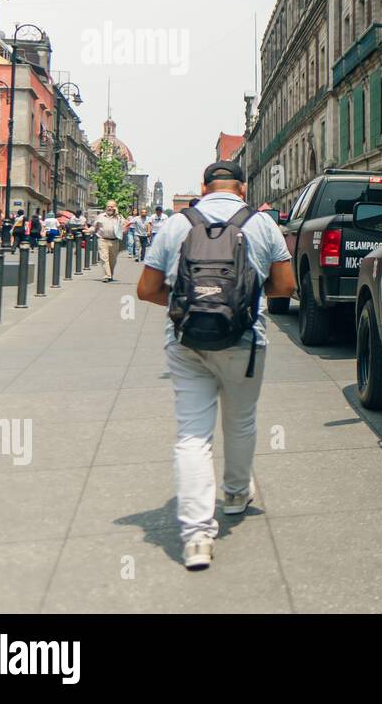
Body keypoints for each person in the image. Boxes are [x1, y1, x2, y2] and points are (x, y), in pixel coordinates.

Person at [136, 161, 293, 570]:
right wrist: (247, 301)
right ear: (242, 188)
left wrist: (185, 306)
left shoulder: (175, 224)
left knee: (192, 436)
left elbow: (146, 289)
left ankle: (196, 538)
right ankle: (237, 494)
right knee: (241, 422)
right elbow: (286, 287)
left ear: (203, 188)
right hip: (245, 341)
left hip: (186, 343)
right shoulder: (261, 224)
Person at [92, 201, 126, 281]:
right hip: (102, 239)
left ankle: (110, 274)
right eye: (108, 206)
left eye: (112, 206)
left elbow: (124, 225)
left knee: (112, 260)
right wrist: (88, 230)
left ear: (115, 208)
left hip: (114, 241)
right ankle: (107, 275)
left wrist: (117, 214)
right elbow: (95, 227)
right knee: (104, 258)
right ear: (105, 207)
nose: (110, 208)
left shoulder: (119, 217)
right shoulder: (100, 216)